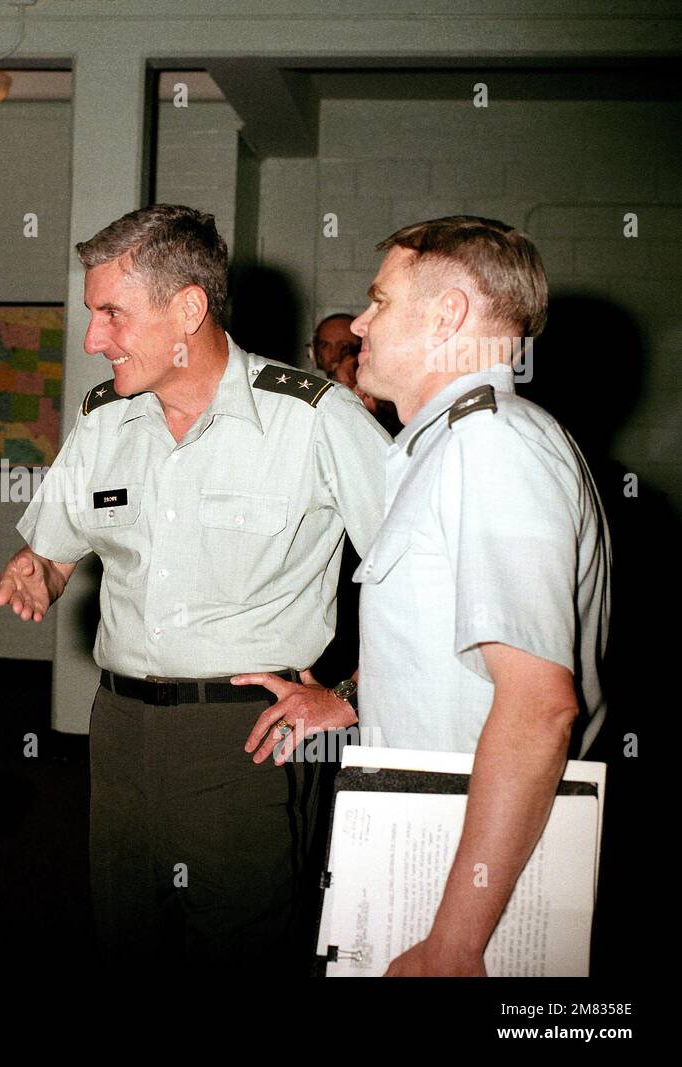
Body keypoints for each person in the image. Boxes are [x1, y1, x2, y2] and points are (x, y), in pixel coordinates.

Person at [0, 204, 390, 966]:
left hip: (243, 737)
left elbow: (423, 574)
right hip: (118, 731)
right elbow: (55, 548)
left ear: (188, 308)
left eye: (113, 314)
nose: (92, 340)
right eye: (93, 315)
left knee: (242, 951)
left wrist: (348, 691)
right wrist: (37, 570)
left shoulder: (313, 419)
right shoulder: (105, 422)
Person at [260, 215, 610, 976]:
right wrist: (351, 695)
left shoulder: (493, 445)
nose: (359, 324)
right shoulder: (448, 445)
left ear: (448, 315)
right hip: (431, 842)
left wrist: (456, 943)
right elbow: (450, 653)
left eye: (380, 301)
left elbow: (538, 704)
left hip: (470, 874)